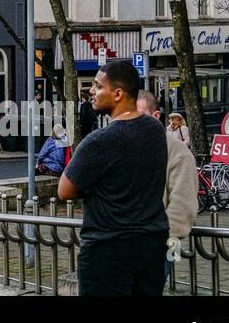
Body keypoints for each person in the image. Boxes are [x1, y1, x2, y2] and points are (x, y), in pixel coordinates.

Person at [59, 61, 169, 296]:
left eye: (98, 86)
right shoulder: (155, 129)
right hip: (151, 243)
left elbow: (65, 190)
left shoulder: (99, 141)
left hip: (107, 249)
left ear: (118, 93)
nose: (91, 91)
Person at [138, 90, 198, 278]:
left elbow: (183, 204)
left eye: (139, 116)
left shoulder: (178, 152)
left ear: (156, 116)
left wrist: (165, 238)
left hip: (160, 242)